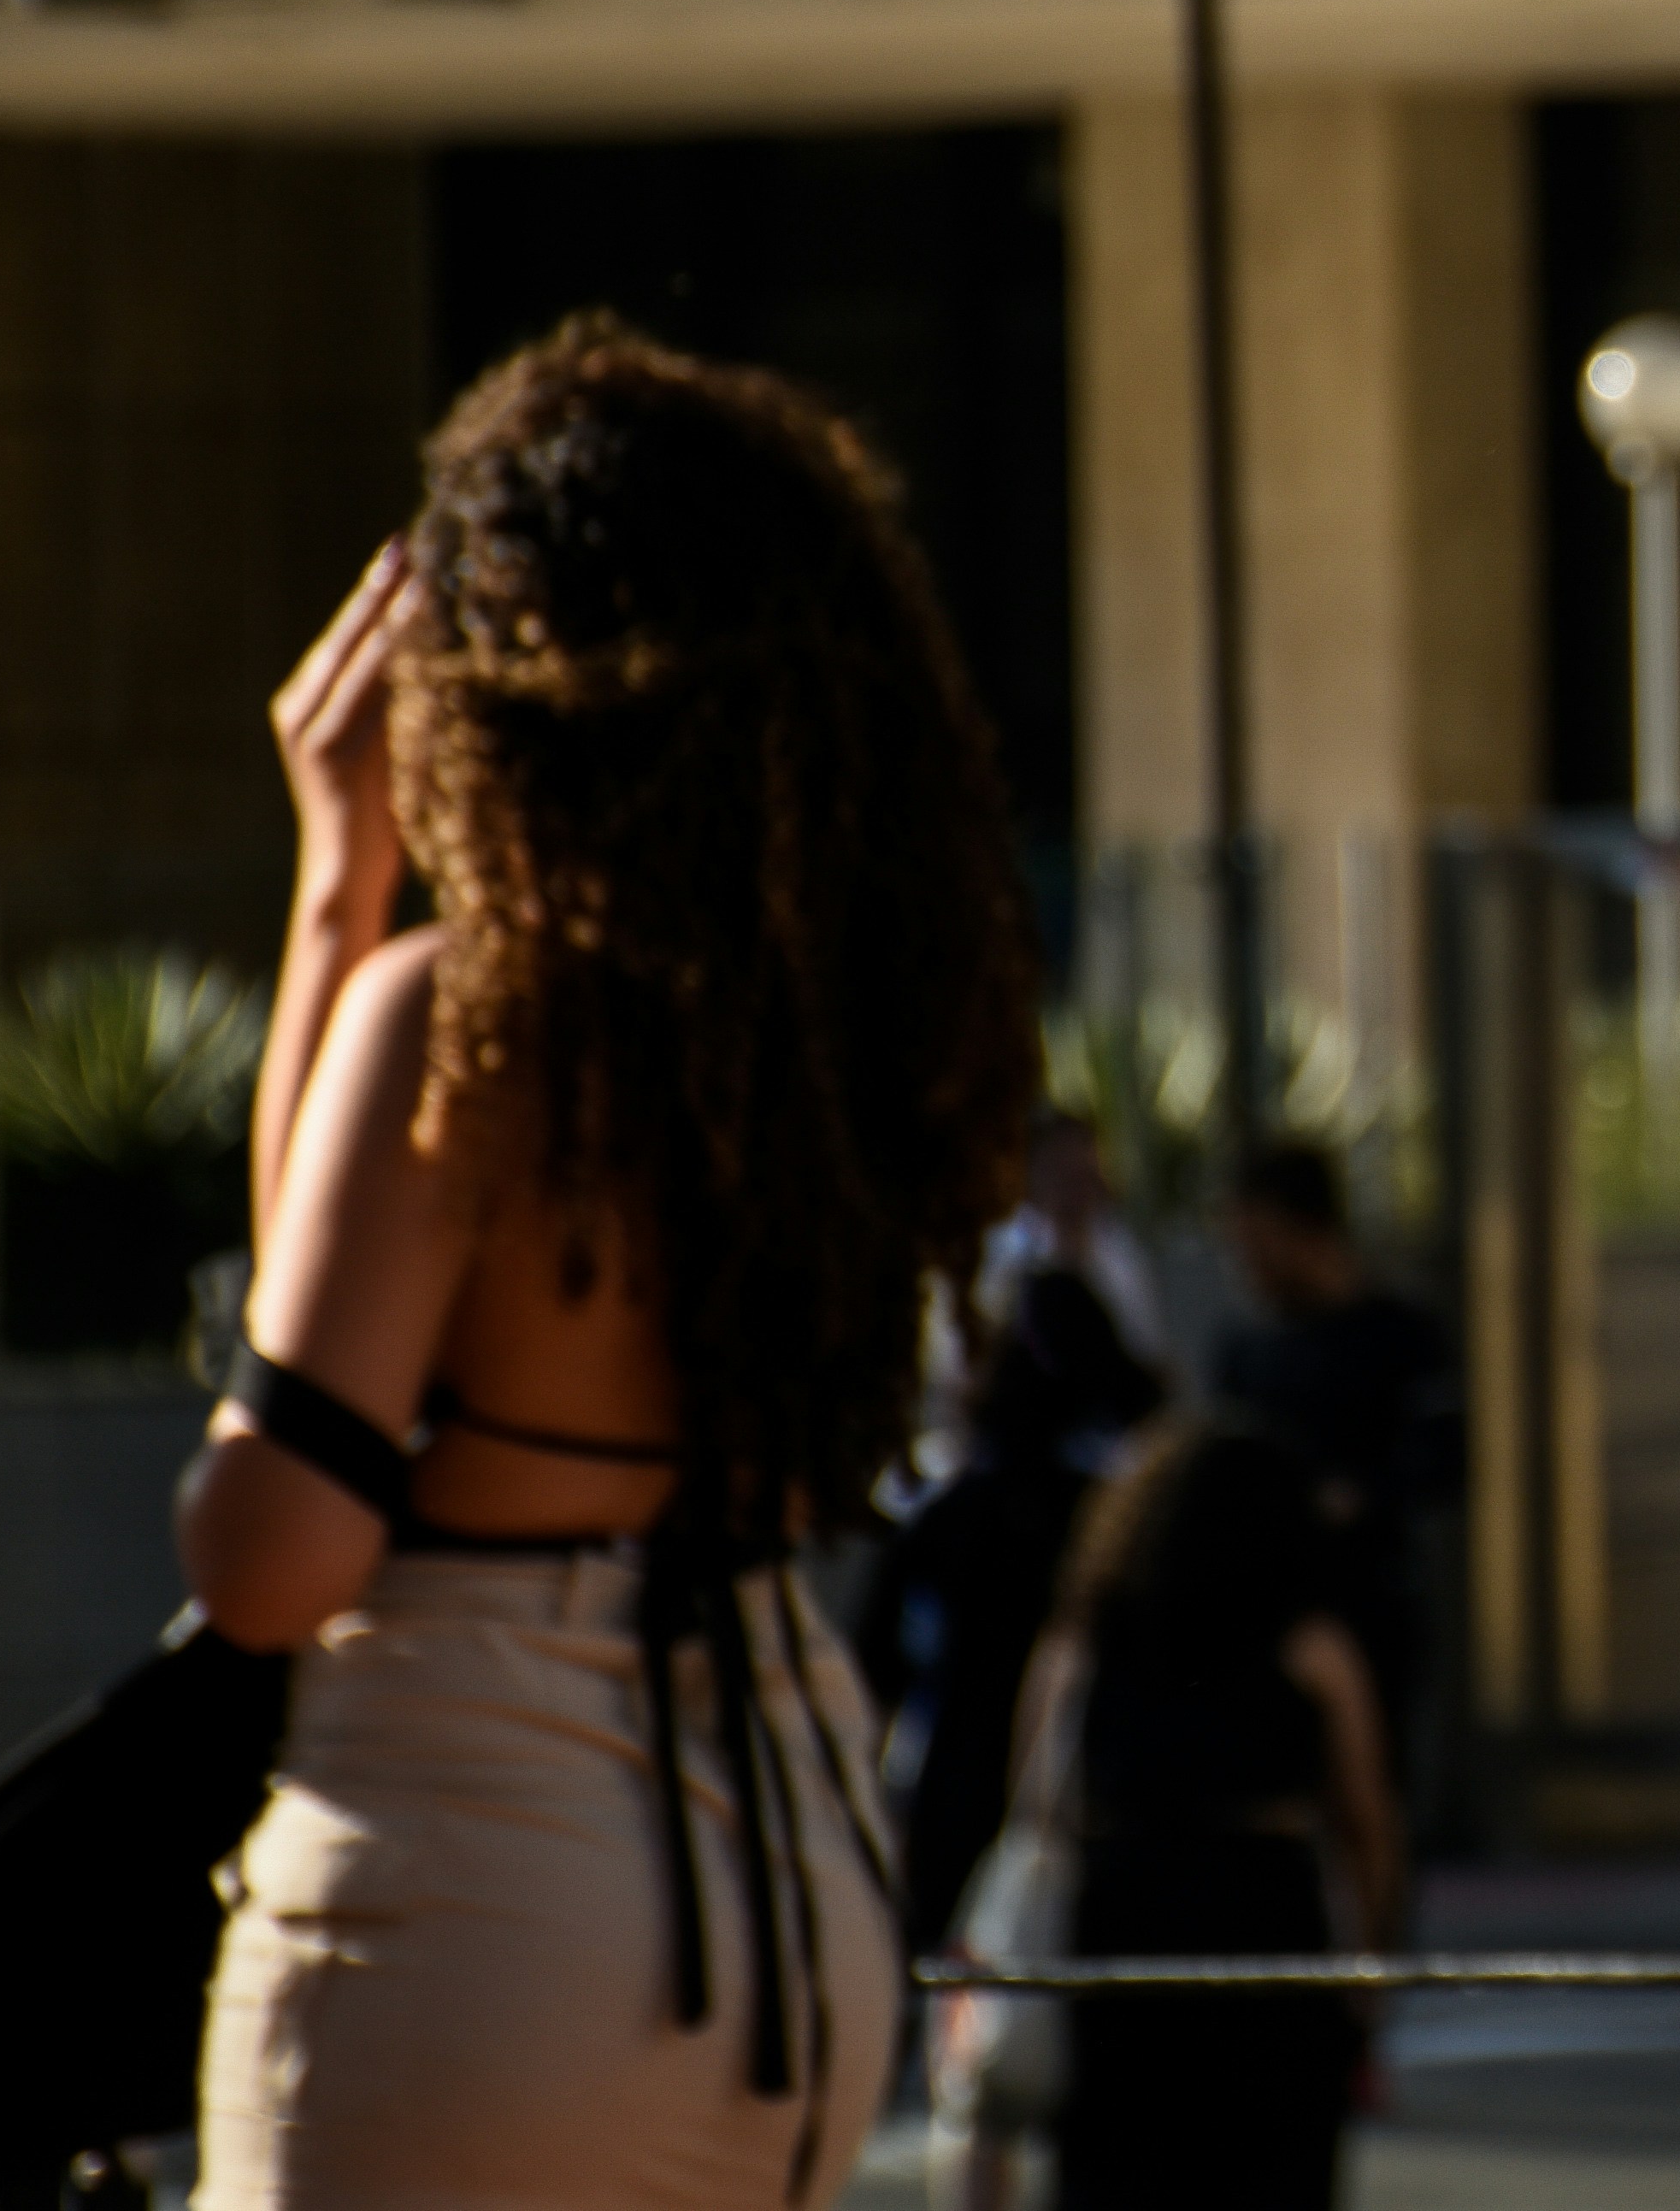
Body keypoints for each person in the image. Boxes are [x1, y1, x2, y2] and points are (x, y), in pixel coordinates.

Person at [182, 316, 1046, 2208]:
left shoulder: (469, 1030)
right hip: (786, 1902)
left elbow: (274, 1554)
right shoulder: (827, 1043)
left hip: (481, 1889)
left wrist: (341, 882)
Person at [1022, 1420, 1405, 2211]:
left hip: (1121, 1927)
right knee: (1270, 2173)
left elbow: (1037, 1805)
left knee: (1116, 2171)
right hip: (1266, 1925)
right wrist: (1368, 1976)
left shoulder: (1090, 1640)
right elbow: (1367, 1820)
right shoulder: (1308, 1645)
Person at [860, 1268, 1164, 1950]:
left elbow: (879, 1683)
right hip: (1090, 1817)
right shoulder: (1121, 1524)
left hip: (957, 1808)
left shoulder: (950, 1517)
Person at [1213, 1141, 1457, 1775]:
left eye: (1257, 1240)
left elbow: (1446, 1459)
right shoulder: (1249, 1351)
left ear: (1304, 1230)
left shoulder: (1399, 1336)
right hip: (1269, 1615)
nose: (1246, 1262)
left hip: (1368, 1604)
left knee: (1376, 1783)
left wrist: (1359, 1498)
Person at [977, 1107, 1166, 1391]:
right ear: (1034, 1173)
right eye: (1062, 1169)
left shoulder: (1120, 1255)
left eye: (1083, 1170)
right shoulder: (1006, 1254)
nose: (1075, 1186)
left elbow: (1150, 1352)